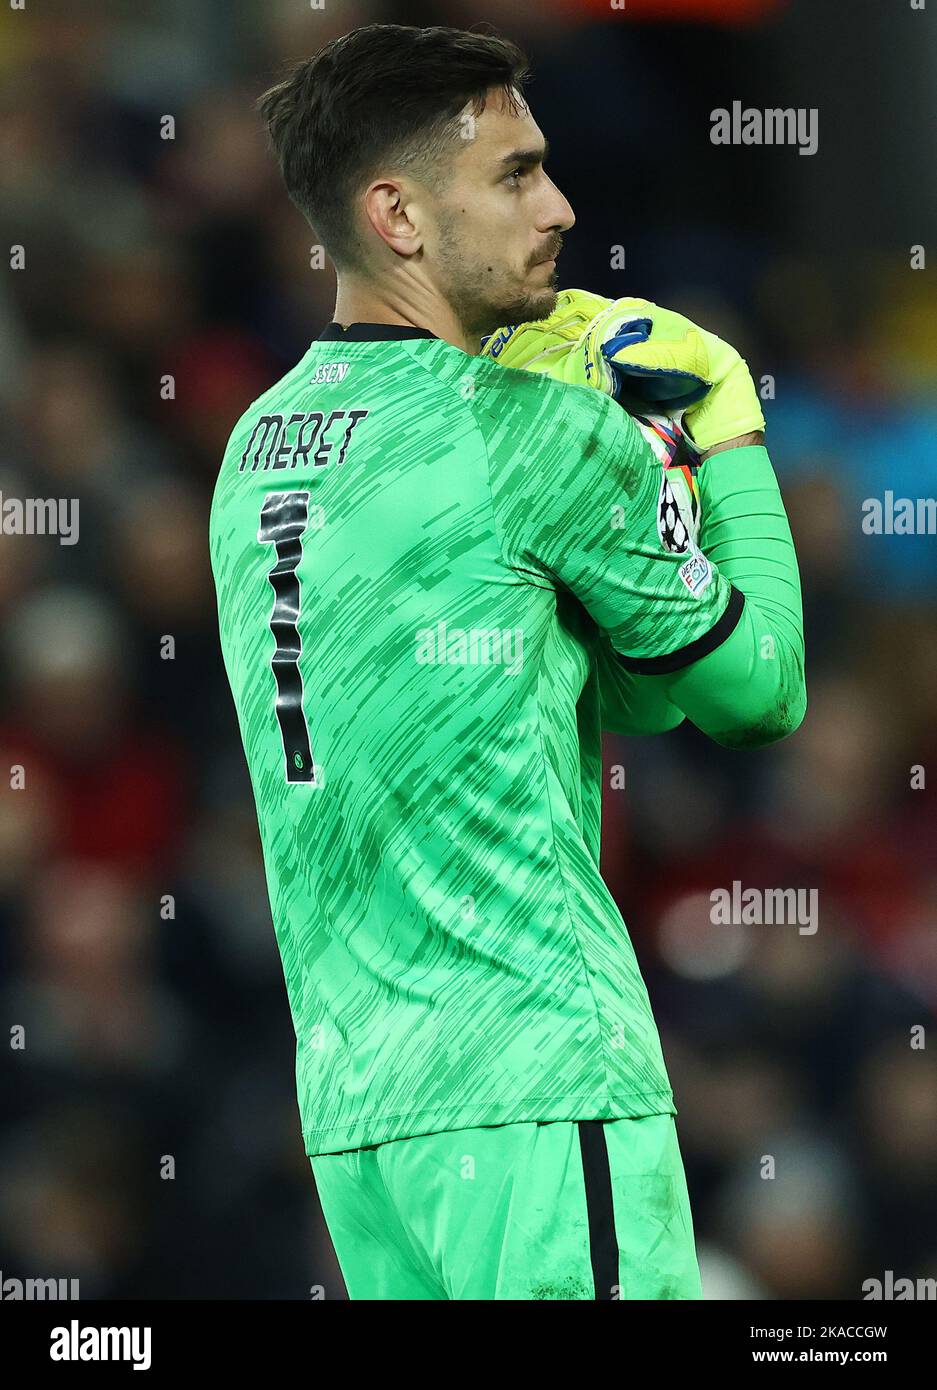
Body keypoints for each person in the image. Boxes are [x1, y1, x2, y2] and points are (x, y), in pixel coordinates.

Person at [208, 23, 805, 1299]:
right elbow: (759, 691)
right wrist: (726, 422)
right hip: (538, 1076)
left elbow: (590, 687)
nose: (561, 207)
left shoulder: (253, 450)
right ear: (398, 215)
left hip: (360, 1112)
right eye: (517, 174)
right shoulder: (534, 438)